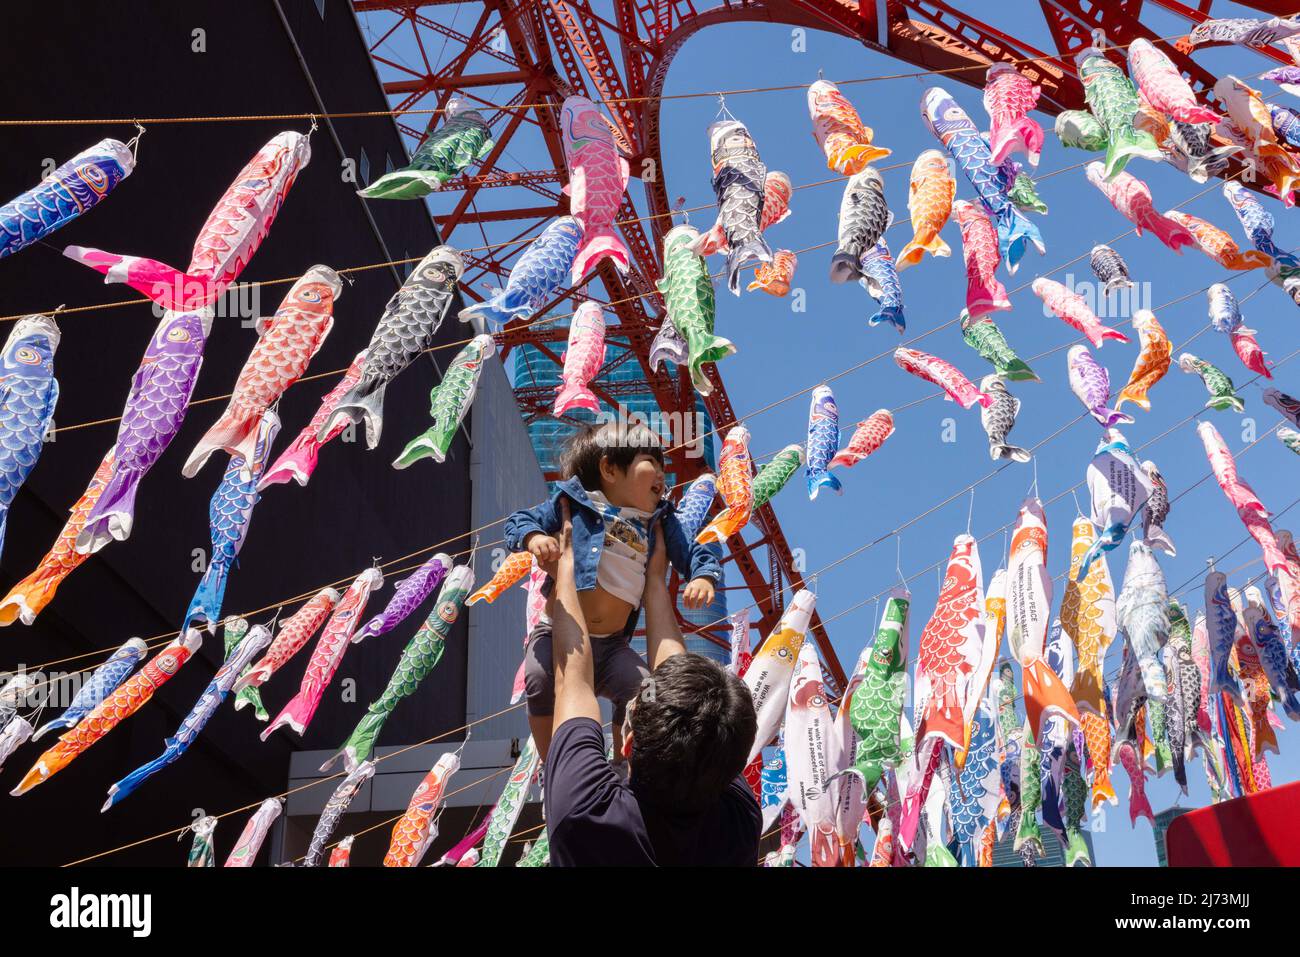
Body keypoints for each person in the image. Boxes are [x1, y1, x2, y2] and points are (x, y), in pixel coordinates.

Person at [542, 496, 761, 866]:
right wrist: (655, 580)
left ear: (627, 743)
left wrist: (568, 568)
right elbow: (576, 682)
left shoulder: (588, 809)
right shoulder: (736, 827)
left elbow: (573, 681)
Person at [503, 421, 722, 757]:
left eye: (663, 465)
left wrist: (703, 576)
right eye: (651, 462)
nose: (662, 474)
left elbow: (692, 551)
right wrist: (535, 538)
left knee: (647, 689)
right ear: (609, 468)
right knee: (538, 678)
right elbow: (519, 520)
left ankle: (623, 761)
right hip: (558, 632)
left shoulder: (661, 520)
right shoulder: (573, 504)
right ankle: (552, 764)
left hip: (611, 646)